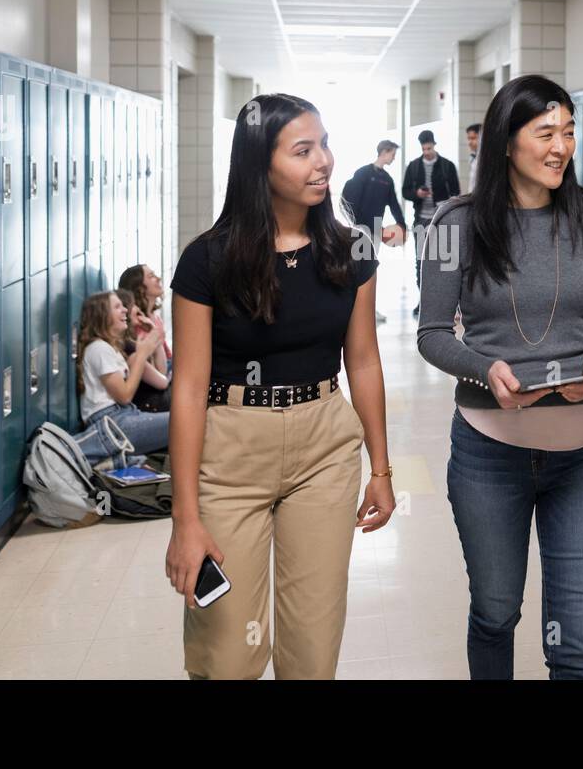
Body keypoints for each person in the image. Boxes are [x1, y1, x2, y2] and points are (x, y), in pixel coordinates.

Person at [165, 92, 397, 680]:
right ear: (258, 164)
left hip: (323, 449)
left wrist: (381, 470)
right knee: (228, 655)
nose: (323, 161)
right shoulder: (206, 261)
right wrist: (185, 520)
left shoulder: (351, 253)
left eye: (324, 145)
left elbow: (364, 363)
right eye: (303, 150)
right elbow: (188, 389)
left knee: (312, 652)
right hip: (231, 454)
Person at [416, 74, 583, 679]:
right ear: (507, 143)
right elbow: (432, 333)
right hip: (490, 454)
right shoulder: (454, 225)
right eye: (545, 133)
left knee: (578, 647)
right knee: (495, 612)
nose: (561, 146)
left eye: (568, 132)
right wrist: (487, 369)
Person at [76, 291, 170, 454]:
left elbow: (160, 375)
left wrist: (147, 348)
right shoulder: (98, 349)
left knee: (187, 421)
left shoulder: (112, 349)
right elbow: (124, 396)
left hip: (124, 417)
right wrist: (142, 355)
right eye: (117, 307)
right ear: (103, 316)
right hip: (112, 424)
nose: (125, 310)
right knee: (186, 422)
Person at [340, 139, 408, 323]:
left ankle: (368, 311)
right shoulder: (363, 173)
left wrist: (402, 226)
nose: (394, 158)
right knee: (356, 270)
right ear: (384, 152)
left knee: (369, 272)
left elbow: (394, 204)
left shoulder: (387, 179)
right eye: (393, 154)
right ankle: (349, 309)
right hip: (359, 231)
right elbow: (349, 201)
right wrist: (356, 227)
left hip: (376, 232)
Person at [402, 128, 460, 317]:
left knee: (444, 261)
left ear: (434, 145)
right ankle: (425, 301)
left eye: (429, 148)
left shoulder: (447, 166)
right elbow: (405, 191)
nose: (426, 152)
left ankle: (446, 304)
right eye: (424, 149)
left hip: (442, 220)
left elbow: (456, 194)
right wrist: (417, 194)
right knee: (421, 262)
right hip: (421, 220)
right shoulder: (414, 166)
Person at [114, 288, 171, 413]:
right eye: (133, 304)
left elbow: (162, 371)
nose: (137, 308)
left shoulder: (132, 342)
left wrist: (153, 332)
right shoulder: (129, 347)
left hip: (152, 401)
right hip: (149, 404)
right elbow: (163, 382)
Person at [118, 264, 171, 375]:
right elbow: (155, 370)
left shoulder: (154, 316)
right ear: (140, 288)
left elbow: (167, 355)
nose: (158, 278)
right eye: (151, 276)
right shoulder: (138, 323)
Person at [465, 122, 481, 192]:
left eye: (473, 138)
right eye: (468, 139)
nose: (470, 142)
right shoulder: (473, 156)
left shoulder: (489, 158)